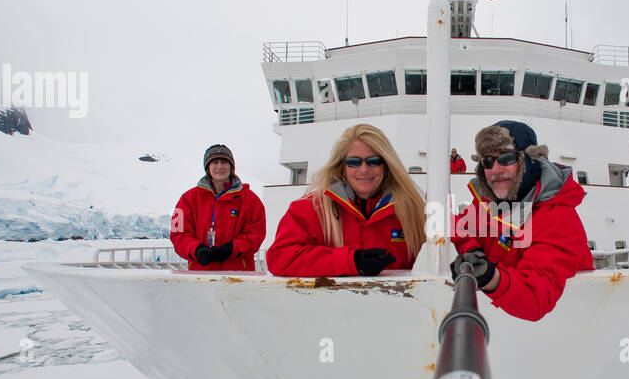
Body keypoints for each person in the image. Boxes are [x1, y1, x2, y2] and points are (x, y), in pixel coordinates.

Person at [449, 120, 593, 321]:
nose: (496, 170)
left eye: (506, 159)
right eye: (488, 162)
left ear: (530, 160)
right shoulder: (488, 202)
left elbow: (536, 298)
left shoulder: (557, 217)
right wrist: (473, 252)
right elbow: (461, 230)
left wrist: (491, 277)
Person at [266, 123, 426, 276]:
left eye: (373, 161)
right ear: (342, 166)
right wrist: (352, 261)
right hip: (334, 304)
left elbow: (446, 239)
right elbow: (280, 257)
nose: (364, 170)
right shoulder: (312, 209)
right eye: (354, 162)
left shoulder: (413, 209)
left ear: (386, 165)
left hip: (398, 303)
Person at [170, 144, 267, 271]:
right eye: (215, 162)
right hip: (200, 274)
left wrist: (231, 249)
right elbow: (178, 234)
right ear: (207, 167)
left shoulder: (250, 200)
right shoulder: (187, 199)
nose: (220, 167)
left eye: (224, 162)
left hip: (238, 275)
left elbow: (255, 234)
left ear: (231, 167)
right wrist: (197, 250)